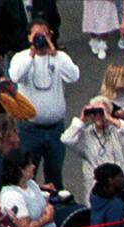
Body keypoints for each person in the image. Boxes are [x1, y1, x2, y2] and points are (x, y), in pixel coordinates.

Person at [6, 17, 77, 191]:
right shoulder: (21, 57)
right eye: (37, 34)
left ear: (51, 35)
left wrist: (55, 54)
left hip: (55, 129)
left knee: (55, 176)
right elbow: (15, 76)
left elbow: (74, 76)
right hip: (30, 129)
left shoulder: (60, 57)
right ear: (29, 37)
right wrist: (32, 54)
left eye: (45, 33)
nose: (41, 38)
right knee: (27, 175)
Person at [61, 97, 124, 205]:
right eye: (94, 112)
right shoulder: (85, 136)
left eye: (100, 112)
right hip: (98, 192)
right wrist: (82, 119)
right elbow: (66, 139)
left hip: (120, 187)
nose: (97, 116)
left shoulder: (118, 131)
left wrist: (110, 118)